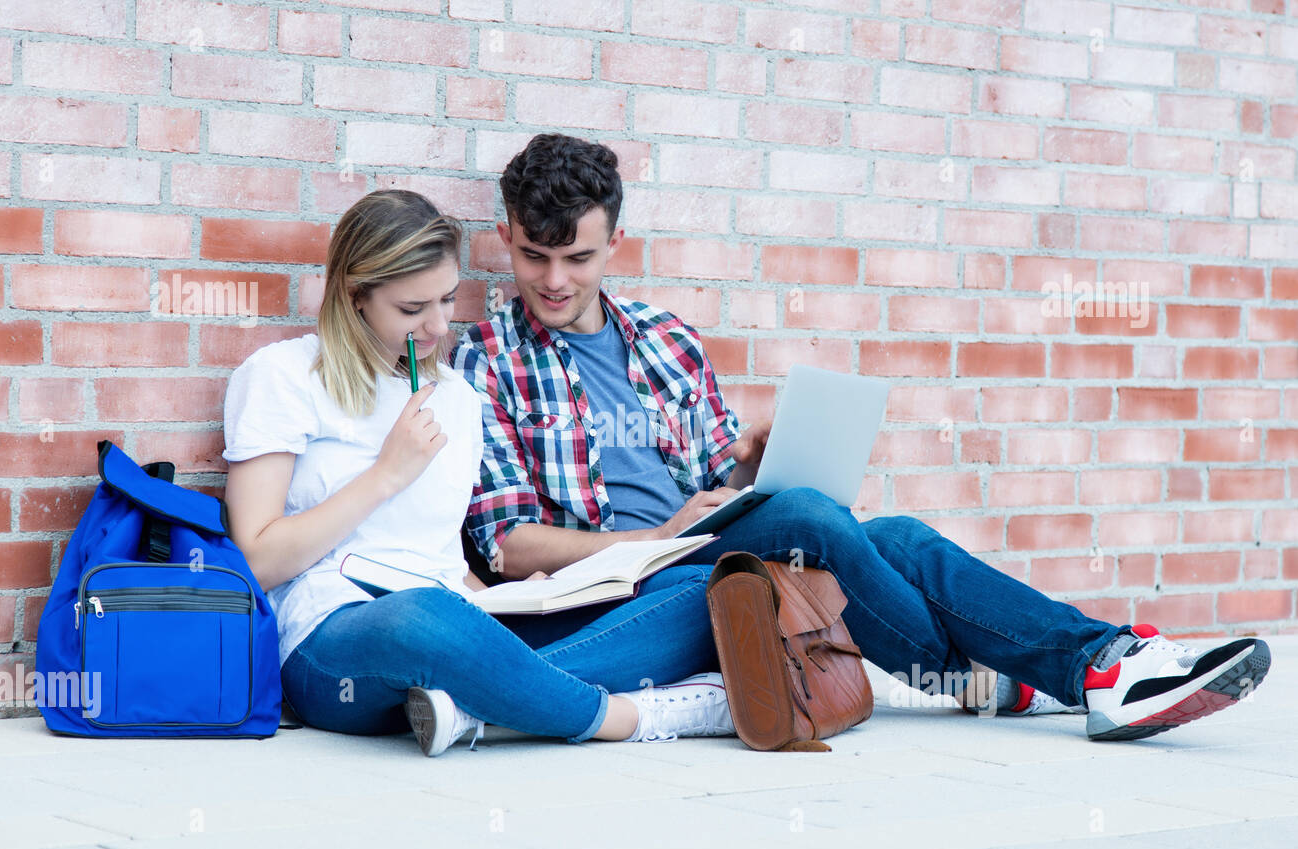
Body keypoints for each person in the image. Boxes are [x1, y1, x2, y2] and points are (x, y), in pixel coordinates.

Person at [451, 133, 1271, 741]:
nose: (554, 281)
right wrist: (652, 537)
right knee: (809, 519)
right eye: (533, 257)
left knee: (897, 534)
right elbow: (505, 547)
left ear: (614, 244)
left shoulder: (667, 340)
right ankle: (1067, 669)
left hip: (708, 546)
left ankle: (1101, 660)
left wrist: (754, 461)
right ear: (508, 237)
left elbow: (713, 480)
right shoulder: (483, 359)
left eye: (577, 258)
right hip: (623, 579)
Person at [220, 189, 734, 757]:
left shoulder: (457, 398)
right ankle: (623, 716)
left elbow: (441, 560)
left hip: (456, 616)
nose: (439, 327)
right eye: (412, 310)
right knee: (423, 615)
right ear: (355, 295)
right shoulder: (283, 375)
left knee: (702, 589)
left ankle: (470, 705)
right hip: (335, 635)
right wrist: (386, 475)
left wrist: (512, 595)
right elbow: (257, 564)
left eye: (446, 300)